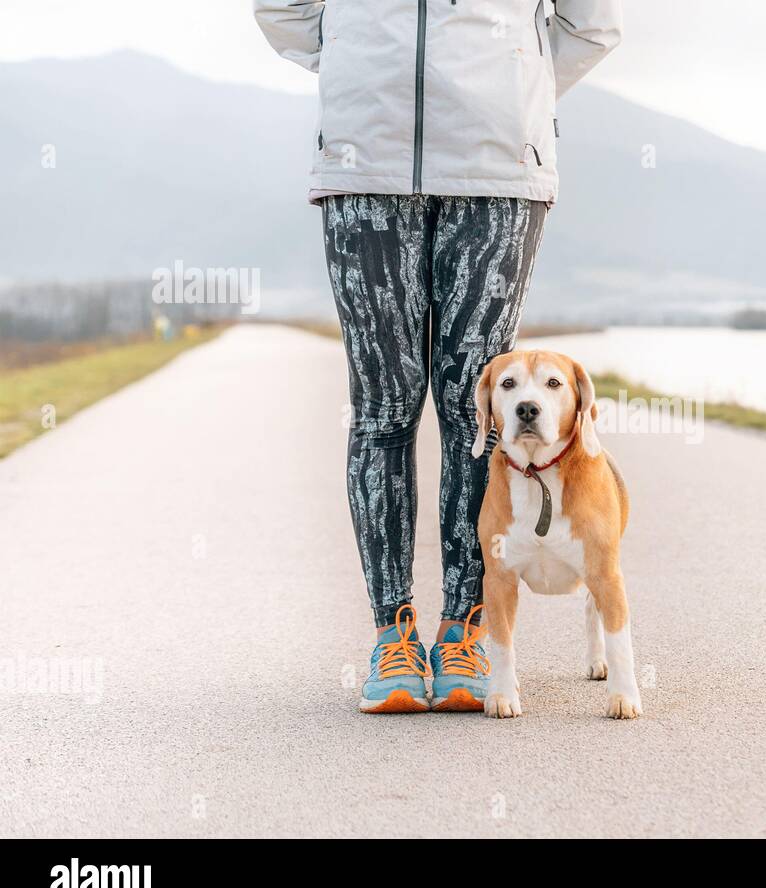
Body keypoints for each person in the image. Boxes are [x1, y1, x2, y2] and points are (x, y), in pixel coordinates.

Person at [254, 0, 623, 712]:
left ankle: (465, 630)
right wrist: (367, 67)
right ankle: (393, 635)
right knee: (383, 410)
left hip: (499, 176)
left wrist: (507, 89)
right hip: (365, 168)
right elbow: (281, 9)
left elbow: (592, 24)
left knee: (477, 412)